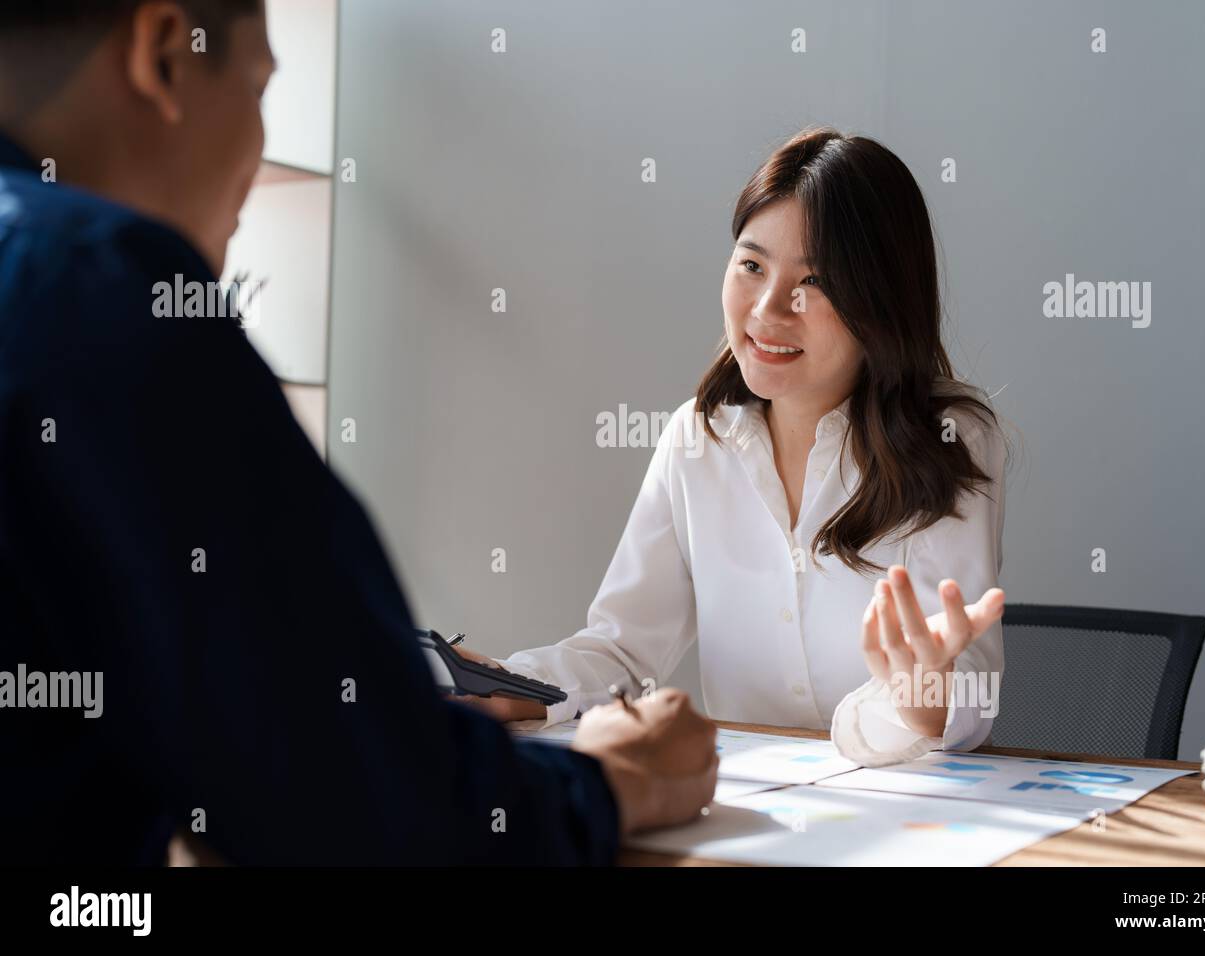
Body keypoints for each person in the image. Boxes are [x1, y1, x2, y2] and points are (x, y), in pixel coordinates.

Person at [0, 0, 716, 866]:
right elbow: (367, 816)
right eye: (260, 85)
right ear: (163, 54)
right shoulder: (111, 293)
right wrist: (614, 780)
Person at [454, 128, 1009, 768]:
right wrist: (511, 685)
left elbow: (965, 687)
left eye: (817, 281)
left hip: (912, 817)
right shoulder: (698, 437)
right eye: (751, 265)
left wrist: (923, 692)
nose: (769, 308)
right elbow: (622, 650)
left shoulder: (950, 437)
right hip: (751, 813)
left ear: (881, 301)